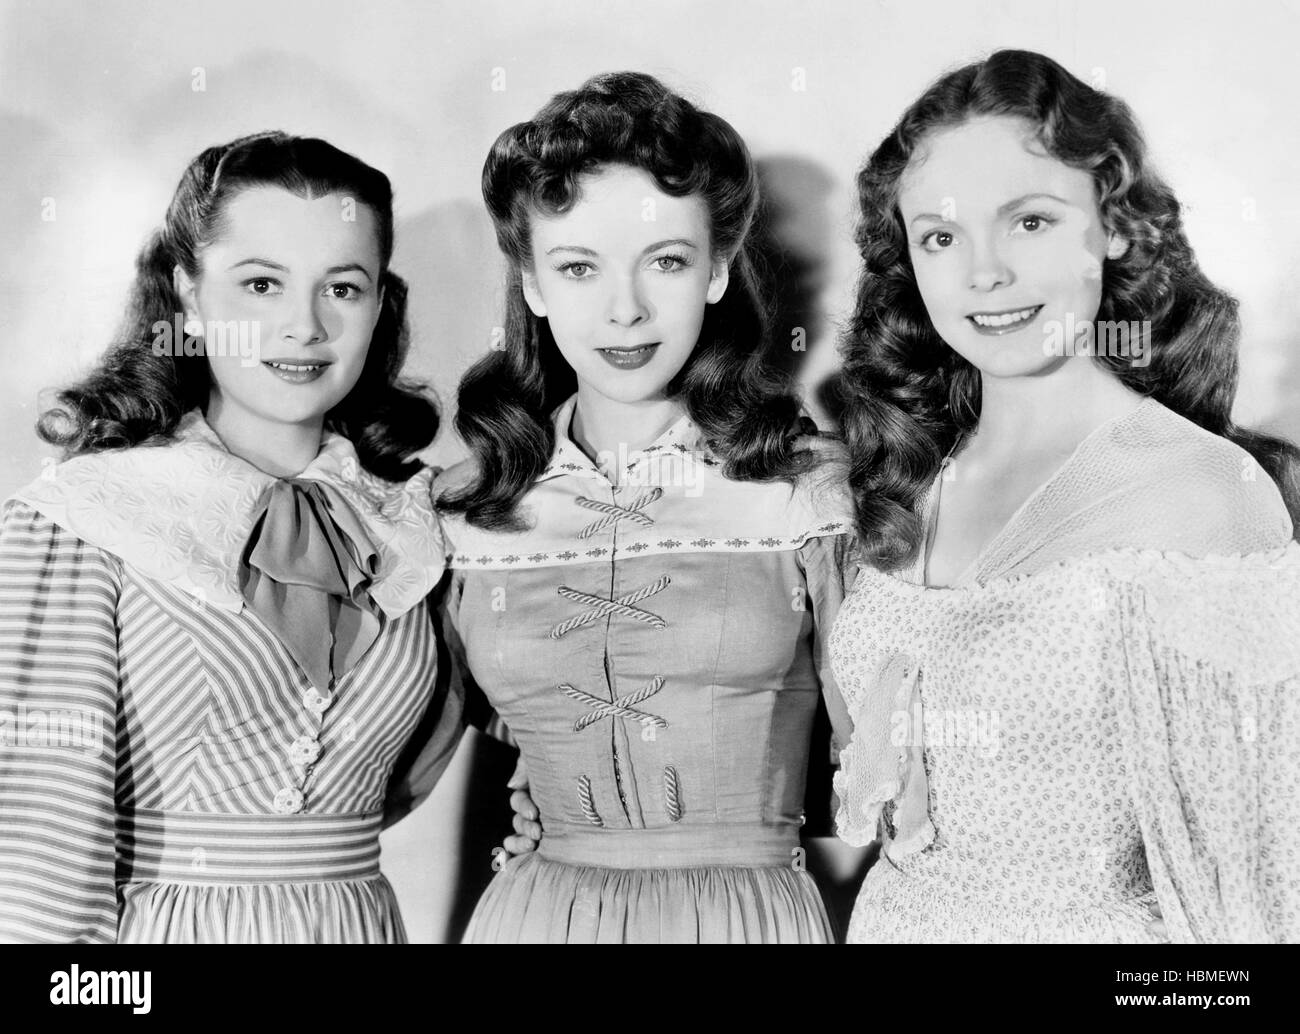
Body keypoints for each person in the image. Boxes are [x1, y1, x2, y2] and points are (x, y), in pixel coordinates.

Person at [831, 49, 1300, 943]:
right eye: (941, 237)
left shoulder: (1201, 493)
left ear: (1113, 226)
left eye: (1030, 222)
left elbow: (1264, 889)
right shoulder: (905, 472)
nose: (984, 273)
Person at [0, 132, 461, 943]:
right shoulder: (82, 520)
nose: (304, 326)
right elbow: (36, 869)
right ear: (188, 295)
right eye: (260, 284)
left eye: (342, 288)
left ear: (379, 306)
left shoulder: (417, 524)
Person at [430, 71, 859, 943]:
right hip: (535, 920)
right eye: (578, 268)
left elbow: (881, 765)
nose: (623, 311)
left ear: (717, 270)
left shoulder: (804, 489)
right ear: (532, 284)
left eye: (665, 261)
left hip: (747, 921)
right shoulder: (464, 507)